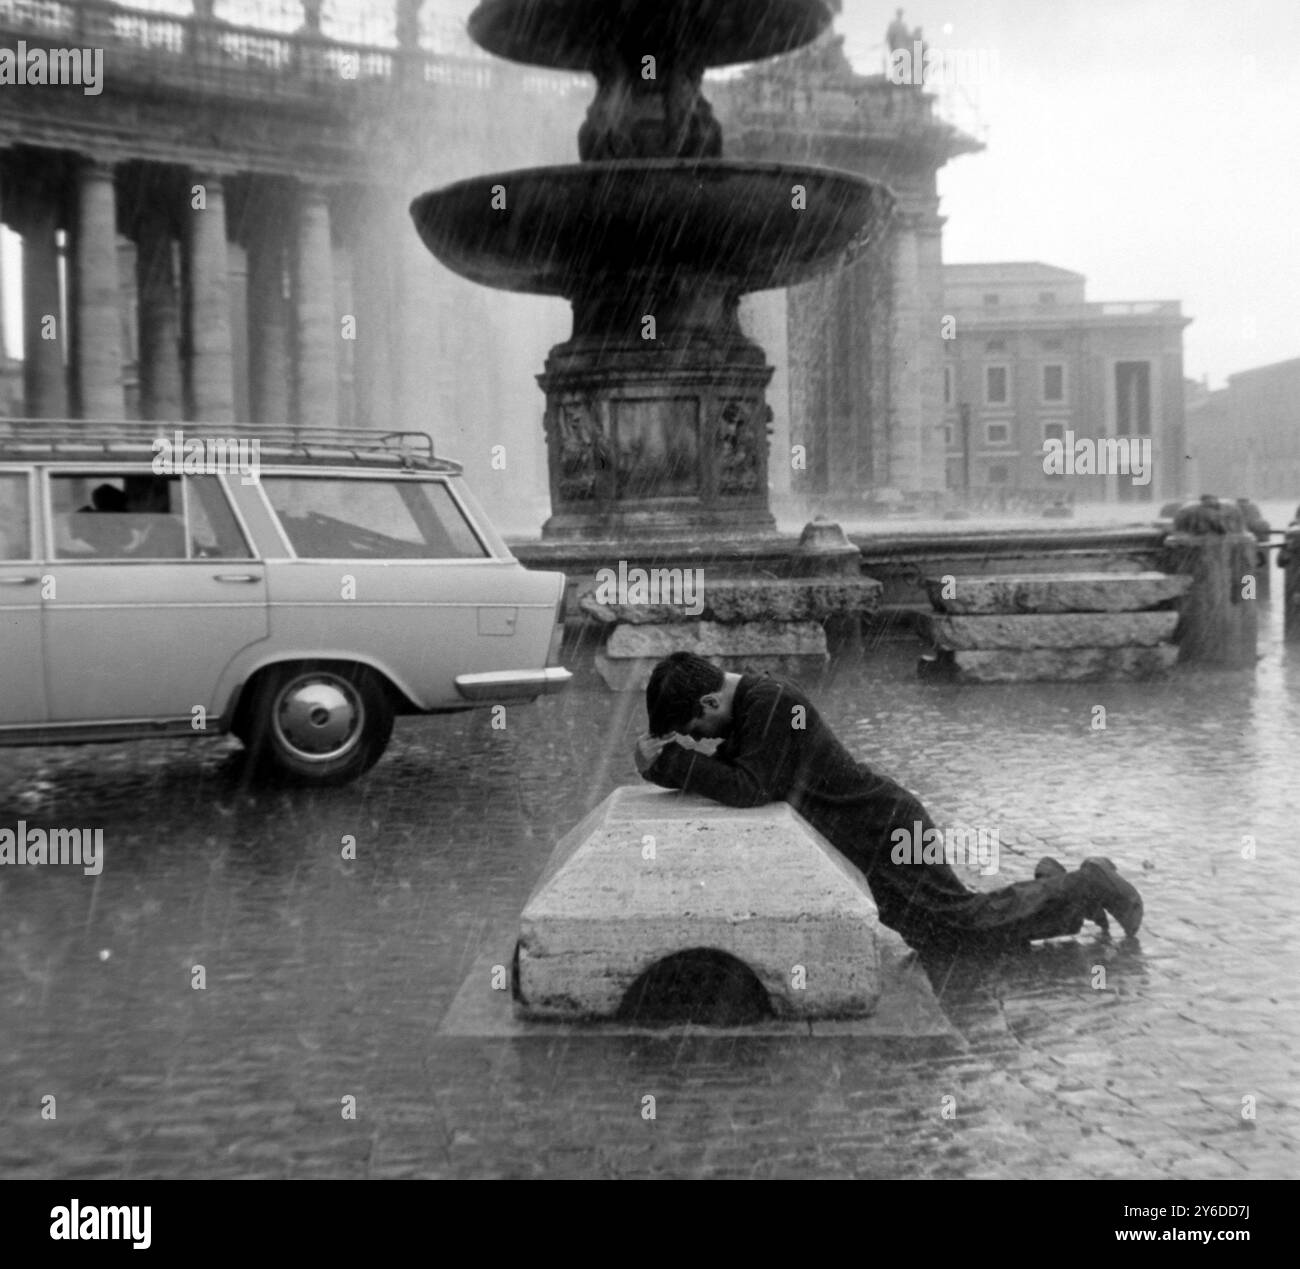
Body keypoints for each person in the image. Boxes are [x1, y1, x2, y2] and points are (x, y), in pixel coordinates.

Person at [634, 653, 1144, 953]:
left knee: (961, 926)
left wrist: (669, 764)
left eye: (693, 731)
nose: (699, 741)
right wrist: (678, 758)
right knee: (944, 935)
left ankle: (1087, 884)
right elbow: (741, 773)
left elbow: (748, 788)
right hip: (875, 830)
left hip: (885, 830)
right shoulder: (755, 702)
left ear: (707, 703)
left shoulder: (770, 704)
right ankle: (1060, 890)